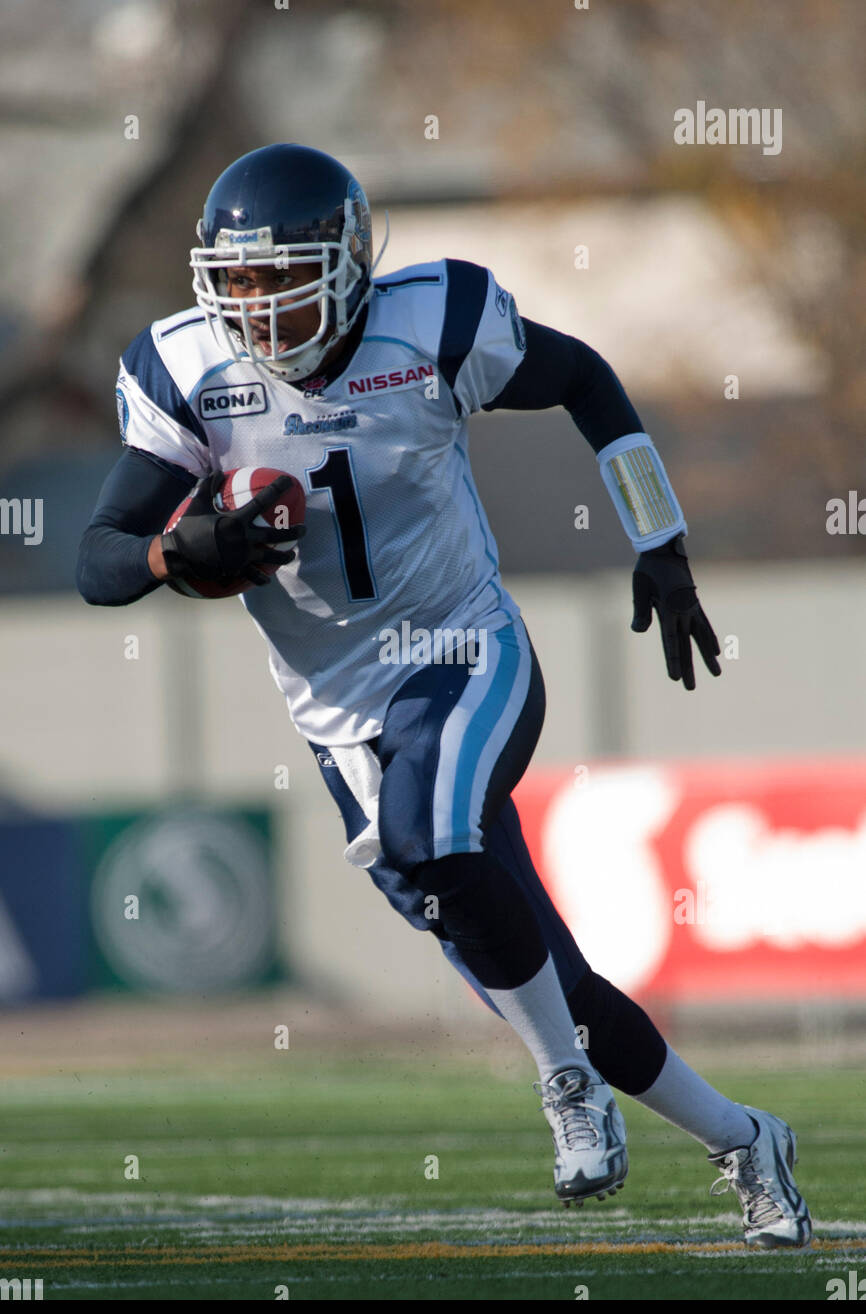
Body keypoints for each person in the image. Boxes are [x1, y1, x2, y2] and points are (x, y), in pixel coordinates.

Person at [77, 143, 811, 1248]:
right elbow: (97, 559)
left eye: (281, 278)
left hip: (466, 651)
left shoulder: (435, 324)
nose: (259, 308)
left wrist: (659, 540)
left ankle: (567, 1092)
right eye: (238, 283)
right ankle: (745, 1137)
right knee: (540, 971)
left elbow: (586, 382)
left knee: (431, 832)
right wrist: (179, 554)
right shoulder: (188, 373)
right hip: (340, 723)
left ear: (348, 263)